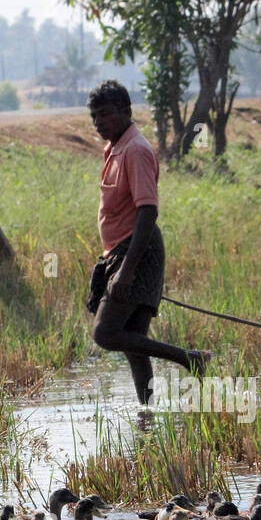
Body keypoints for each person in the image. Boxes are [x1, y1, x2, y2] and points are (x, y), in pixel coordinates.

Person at [84, 80, 209, 406]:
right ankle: (148, 414)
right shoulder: (115, 148)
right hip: (122, 251)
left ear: (126, 112)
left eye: (106, 115)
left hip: (138, 252)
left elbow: (148, 211)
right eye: (95, 117)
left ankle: (188, 358)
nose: (100, 123)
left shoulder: (136, 150)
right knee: (133, 344)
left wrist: (126, 271)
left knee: (106, 333)